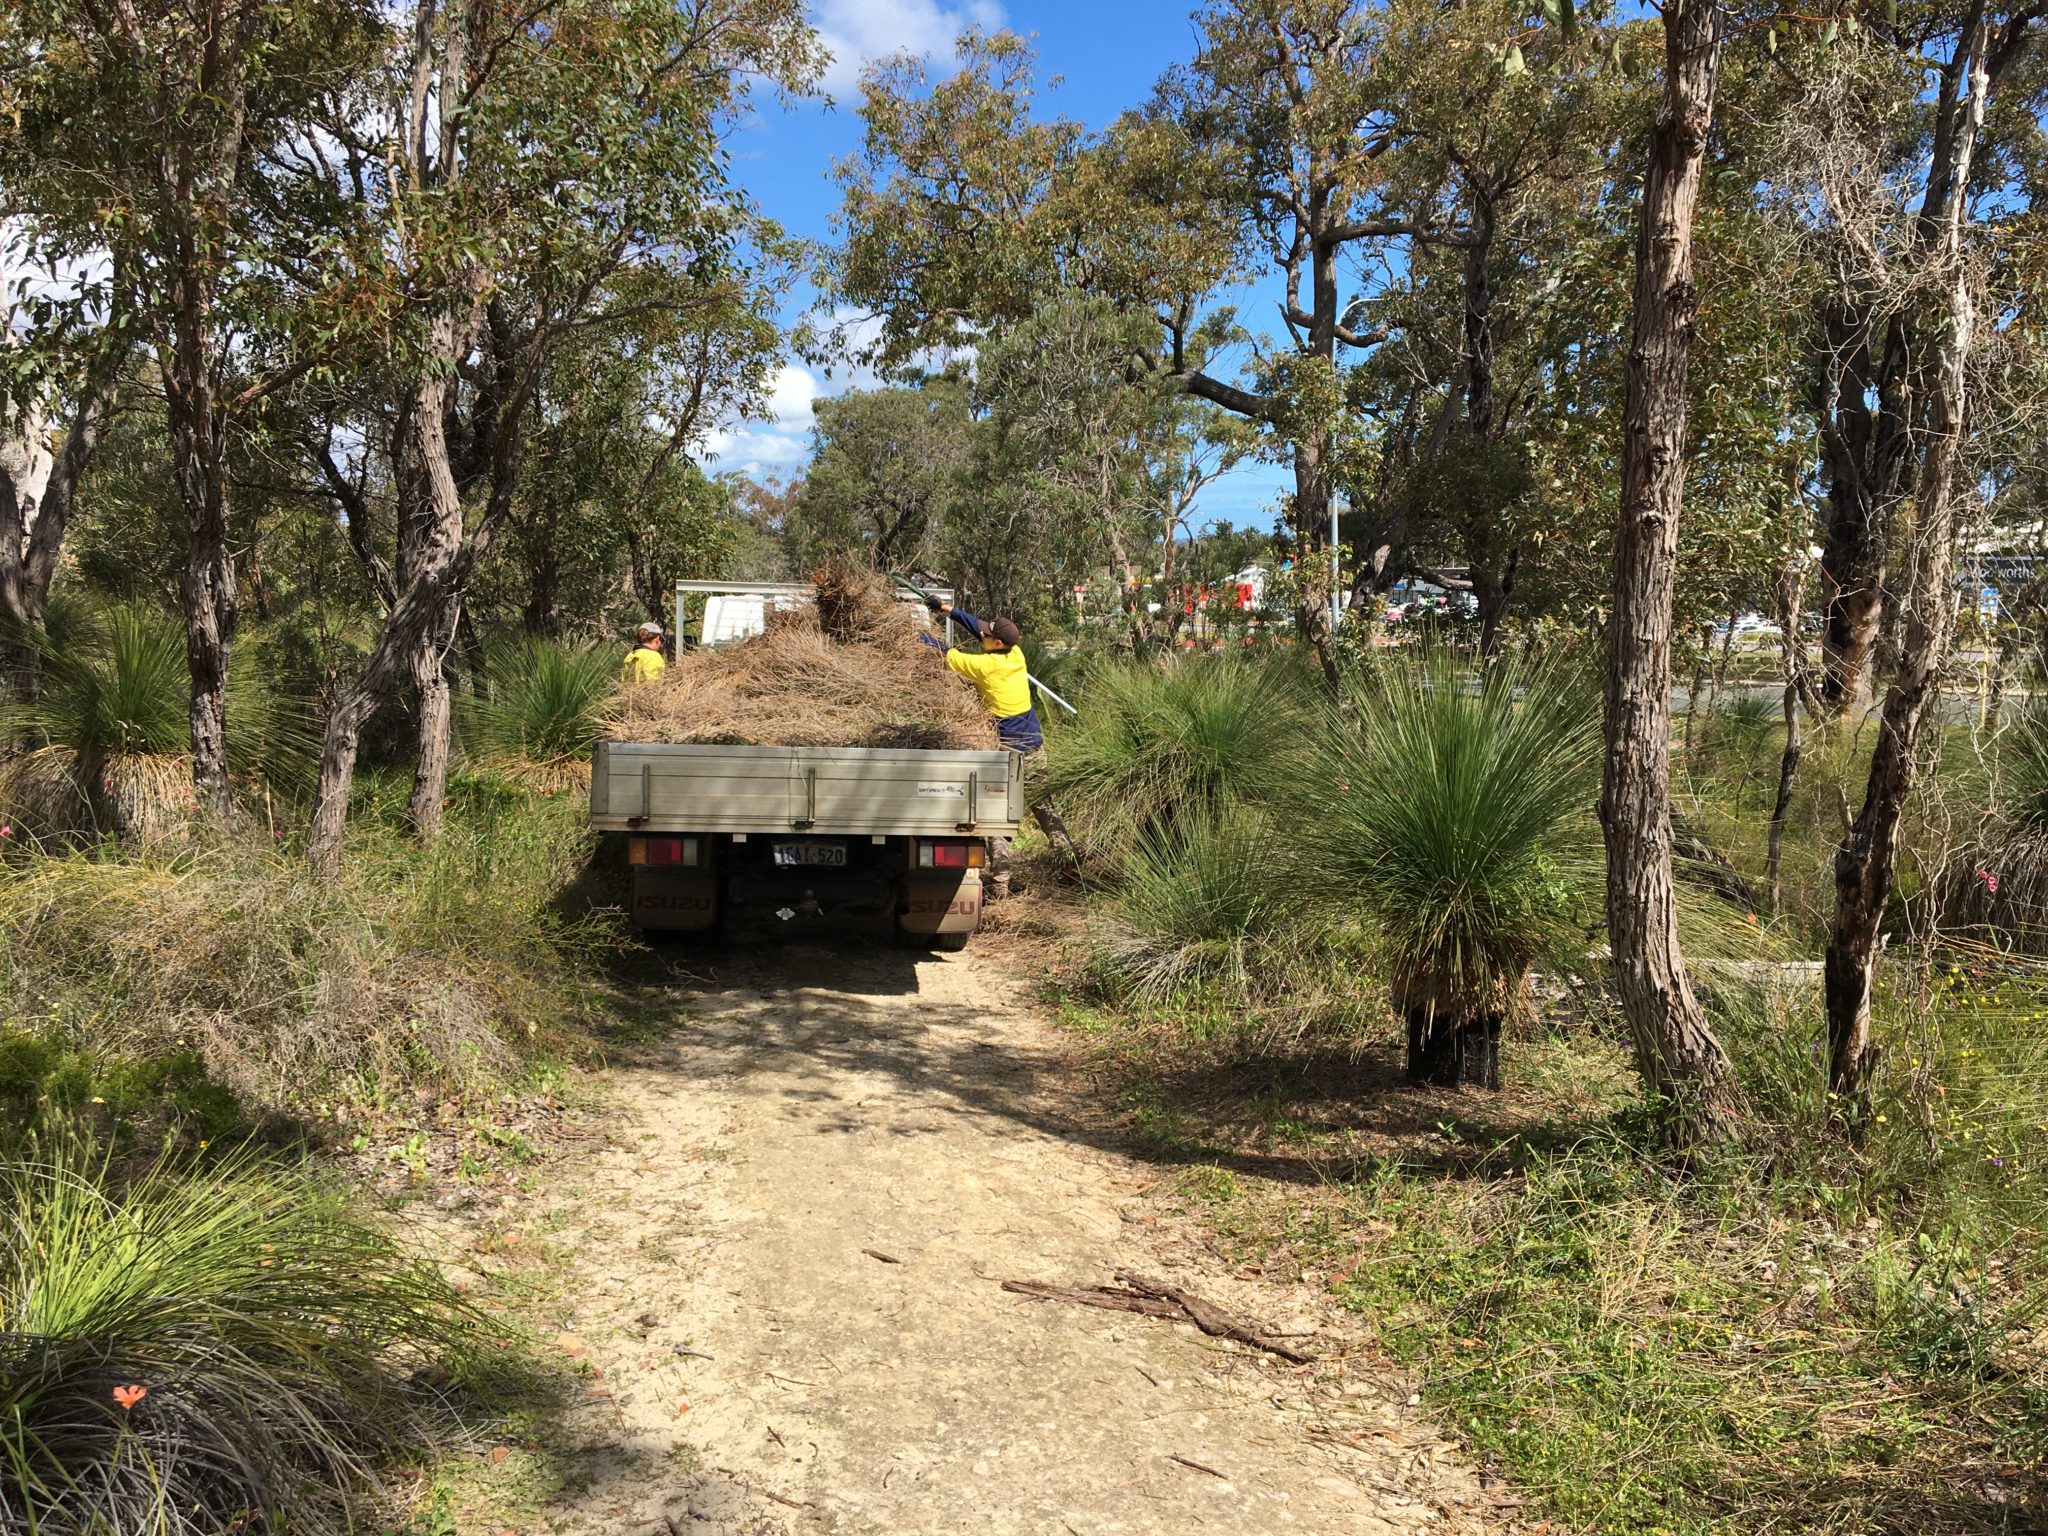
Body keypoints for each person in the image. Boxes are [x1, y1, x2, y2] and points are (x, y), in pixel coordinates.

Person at [920, 601, 1070, 898]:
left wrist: (914, 634)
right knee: (1044, 804)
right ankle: (1068, 860)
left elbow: (943, 652)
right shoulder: (1015, 654)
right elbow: (977, 626)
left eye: (988, 634)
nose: (983, 634)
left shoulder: (983, 666)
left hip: (1006, 747)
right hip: (1035, 743)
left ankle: (1001, 880)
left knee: (995, 810)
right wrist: (946, 609)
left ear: (996, 643)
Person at [621, 621, 667, 686]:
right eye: (661, 640)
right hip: (649, 695)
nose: (660, 643)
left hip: (629, 695)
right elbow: (653, 684)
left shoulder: (630, 655)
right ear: (657, 638)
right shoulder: (654, 656)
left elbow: (624, 682)